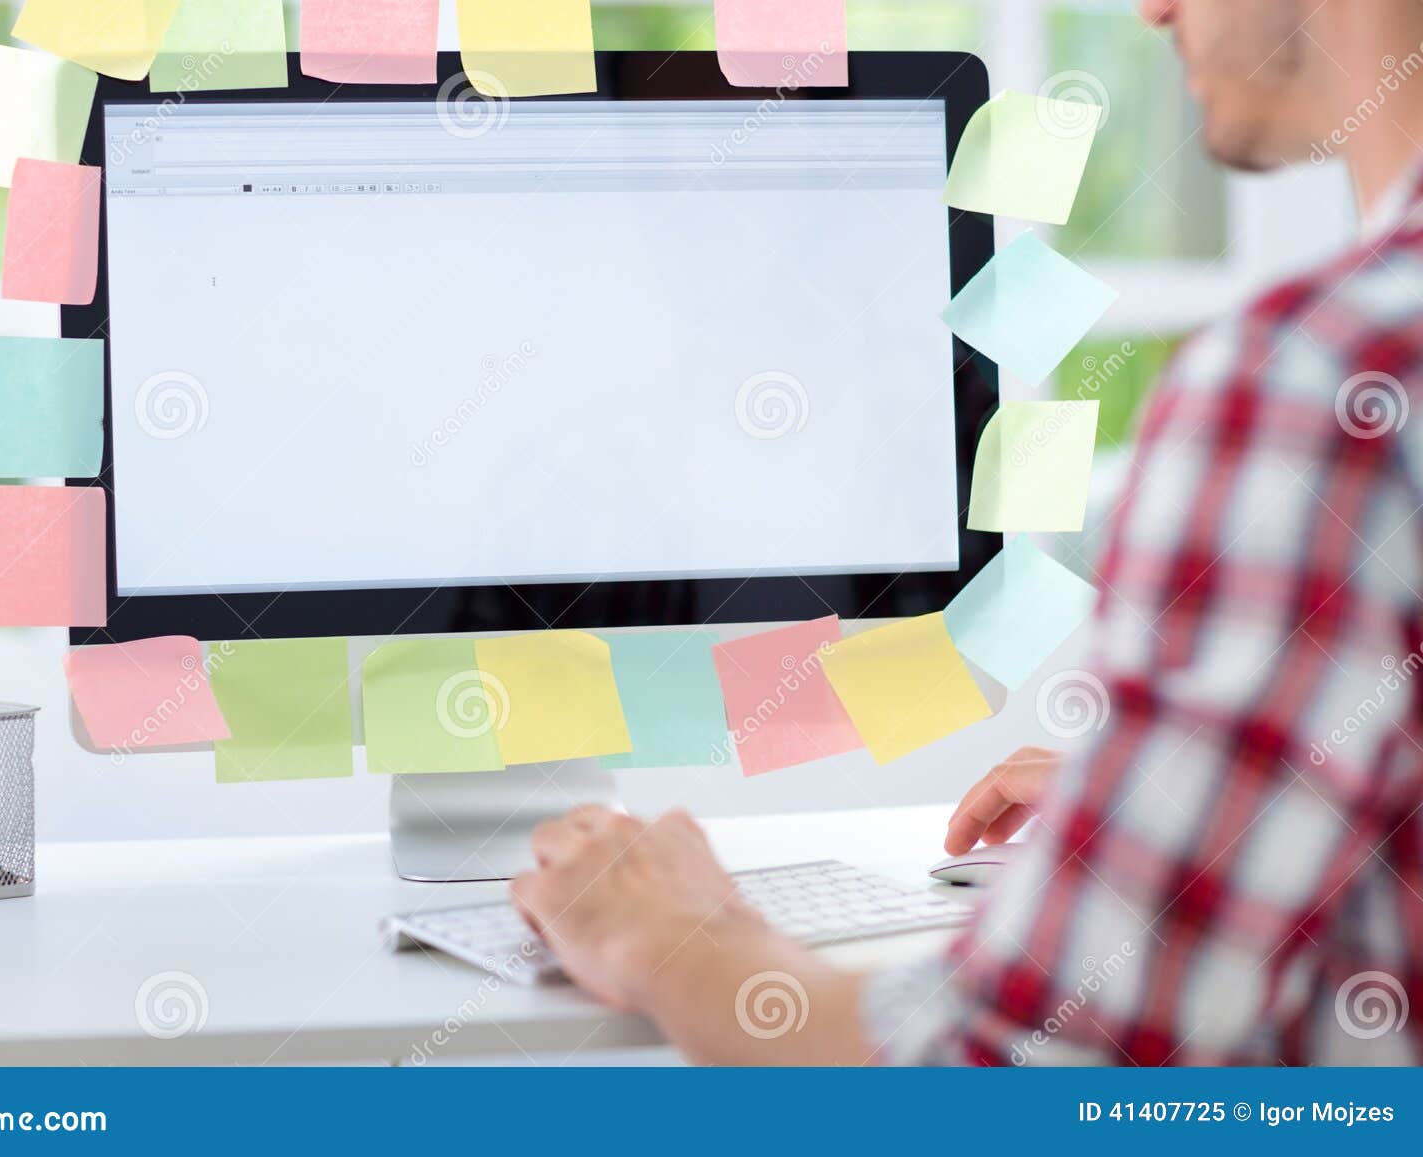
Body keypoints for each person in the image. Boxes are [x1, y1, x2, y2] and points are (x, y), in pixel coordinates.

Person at [511, 0, 1423, 1066]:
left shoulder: (1313, 378)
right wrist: (1208, 787)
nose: (1152, 9)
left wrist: (675, 938)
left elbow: (1003, 1074)